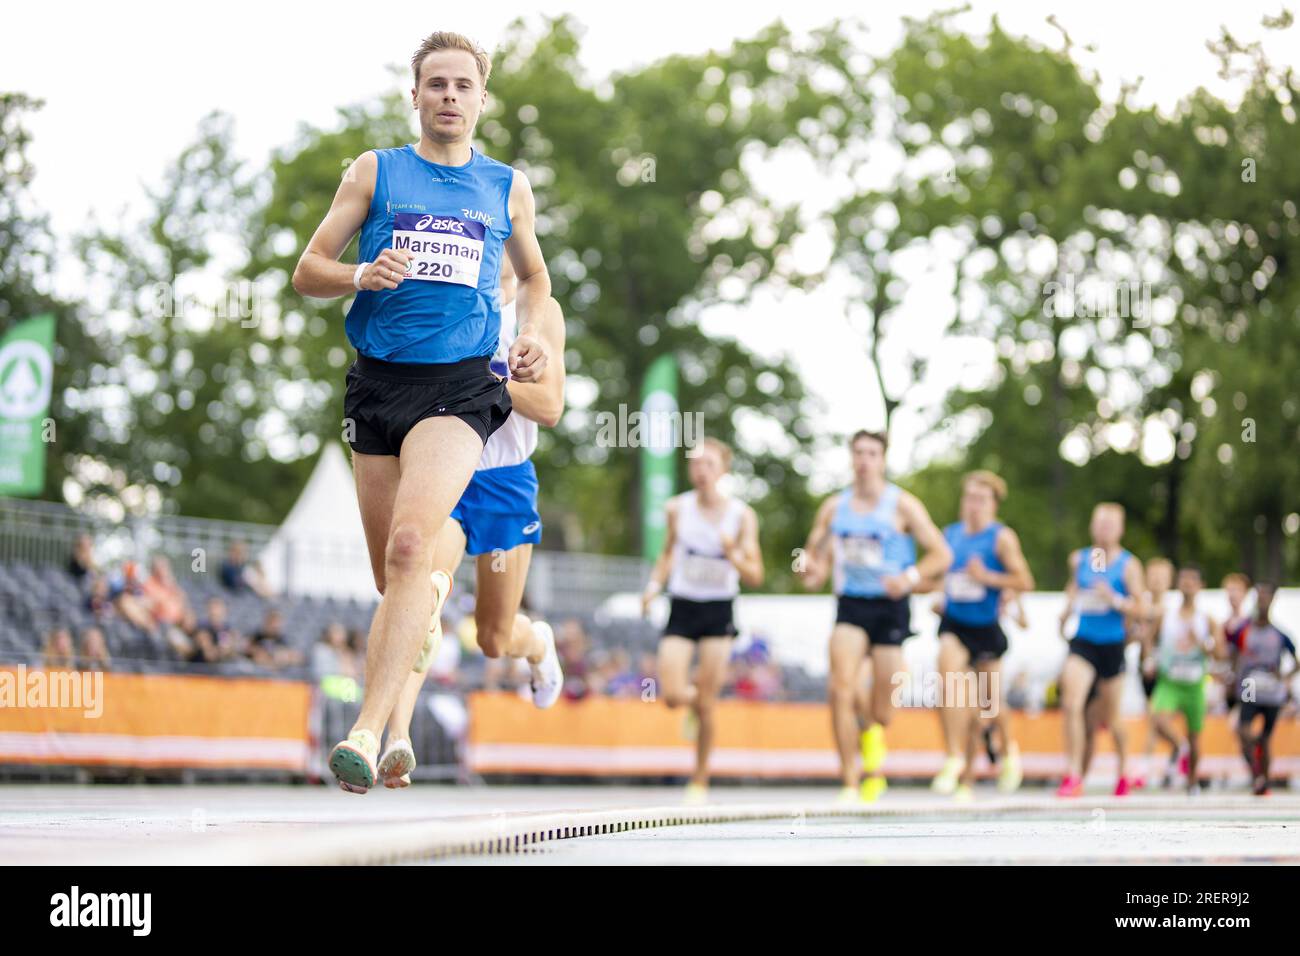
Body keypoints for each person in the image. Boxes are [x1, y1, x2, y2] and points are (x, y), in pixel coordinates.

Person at [291, 31, 552, 793]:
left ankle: (369, 733)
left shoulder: (507, 186)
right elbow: (306, 272)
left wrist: (532, 335)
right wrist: (359, 274)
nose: (448, 96)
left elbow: (534, 279)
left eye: (462, 85)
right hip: (377, 388)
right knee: (391, 575)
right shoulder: (376, 172)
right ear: (415, 96)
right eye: (435, 84)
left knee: (412, 551)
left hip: (460, 388)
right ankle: (392, 722)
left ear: (480, 97)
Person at [379, 252, 567, 788]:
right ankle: (397, 738)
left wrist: (485, 383)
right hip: (446, 473)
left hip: (506, 482)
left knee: (493, 637)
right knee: (425, 594)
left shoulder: (539, 314)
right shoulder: (453, 304)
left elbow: (550, 407)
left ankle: (537, 644)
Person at [799, 429, 951, 804]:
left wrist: (909, 577)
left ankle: (872, 732)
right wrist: (810, 570)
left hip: (890, 607)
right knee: (840, 688)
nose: (864, 460)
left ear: (882, 460)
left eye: (872, 453)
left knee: (883, 710)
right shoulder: (835, 507)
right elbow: (810, 554)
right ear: (851, 459)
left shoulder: (903, 505)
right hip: (851, 604)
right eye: (858, 453)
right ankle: (851, 781)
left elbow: (942, 555)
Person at [642, 437, 764, 804]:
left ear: (723, 470)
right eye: (695, 463)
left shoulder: (741, 516)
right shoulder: (677, 508)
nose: (701, 470)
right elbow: (666, 555)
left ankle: (699, 778)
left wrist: (733, 555)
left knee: (708, 702)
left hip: (719, 609)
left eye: (709, 464)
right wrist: (652, 586)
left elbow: (756, 574)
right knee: (673, 695)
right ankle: (691, 703)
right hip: (683, 604)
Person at [929, 470, 1034, 799]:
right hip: (955, 623)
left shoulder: (1001, 538)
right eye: (969, 498)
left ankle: (1007, 754)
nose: (973, 505)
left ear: (993, 505)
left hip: (986, 629)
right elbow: (939, 576)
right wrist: (937, 594)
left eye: (981, 500)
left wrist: (987, 577)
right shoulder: (950, 535)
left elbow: (1024, 581)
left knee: (987, 705)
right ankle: (954, 757)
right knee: (948, 679)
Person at [1056, 503, 1146, 797]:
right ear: (1092, 526)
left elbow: (1141, 607)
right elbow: (1075, 588)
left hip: (1112, 644)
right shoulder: (1079, 559)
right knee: (1072, 704)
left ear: (1120, 529)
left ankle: (1124, 770)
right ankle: (1073, 774)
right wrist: (1066, 611)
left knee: (1112, 717)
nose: (1104, 529)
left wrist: (1115, 600)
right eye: (1100, 523)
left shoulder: (1129, 565)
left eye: (1110, 524)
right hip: (1083, 641)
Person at [1148, 565, 1220, 794]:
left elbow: (1221, 653)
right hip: (1169, 680)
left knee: (1195, 734)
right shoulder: (1166, 616)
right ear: (1178, 584)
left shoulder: (1206, 619)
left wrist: (1201, 643)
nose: (1188, 583)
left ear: (1201, 586)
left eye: (1193, 579)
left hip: (1195, 683)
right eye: (1184, 579)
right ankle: (1181, 747)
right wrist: (1150, 659)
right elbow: (1150, 640)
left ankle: (1192, 783)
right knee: (1157, 720)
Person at [1225, 582, 1296, 796]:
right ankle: (1257, 770)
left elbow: (1295, 660)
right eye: (1259, 595)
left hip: (1272, 691)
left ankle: (1262, 781)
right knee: (1243, 730)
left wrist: (1285, 678)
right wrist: (1232, 678)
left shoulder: (1280, 634)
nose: (1261, 600)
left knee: (1266, 737)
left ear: (1273, 600)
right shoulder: (1244, 629)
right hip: (1249, 686)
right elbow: (1233, 653)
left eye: (1266, 596)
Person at [1135, 557, 1183, 787]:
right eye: (1153, 576)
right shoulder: (1140, 605)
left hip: (1167, 667)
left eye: (1161, 578)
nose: (1156, 582)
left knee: (1157, 718)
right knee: (1152, 718)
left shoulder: (1174, 608)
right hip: (1145, 665)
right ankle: (1178, 751)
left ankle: (1149, 765)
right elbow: (1137, 636)